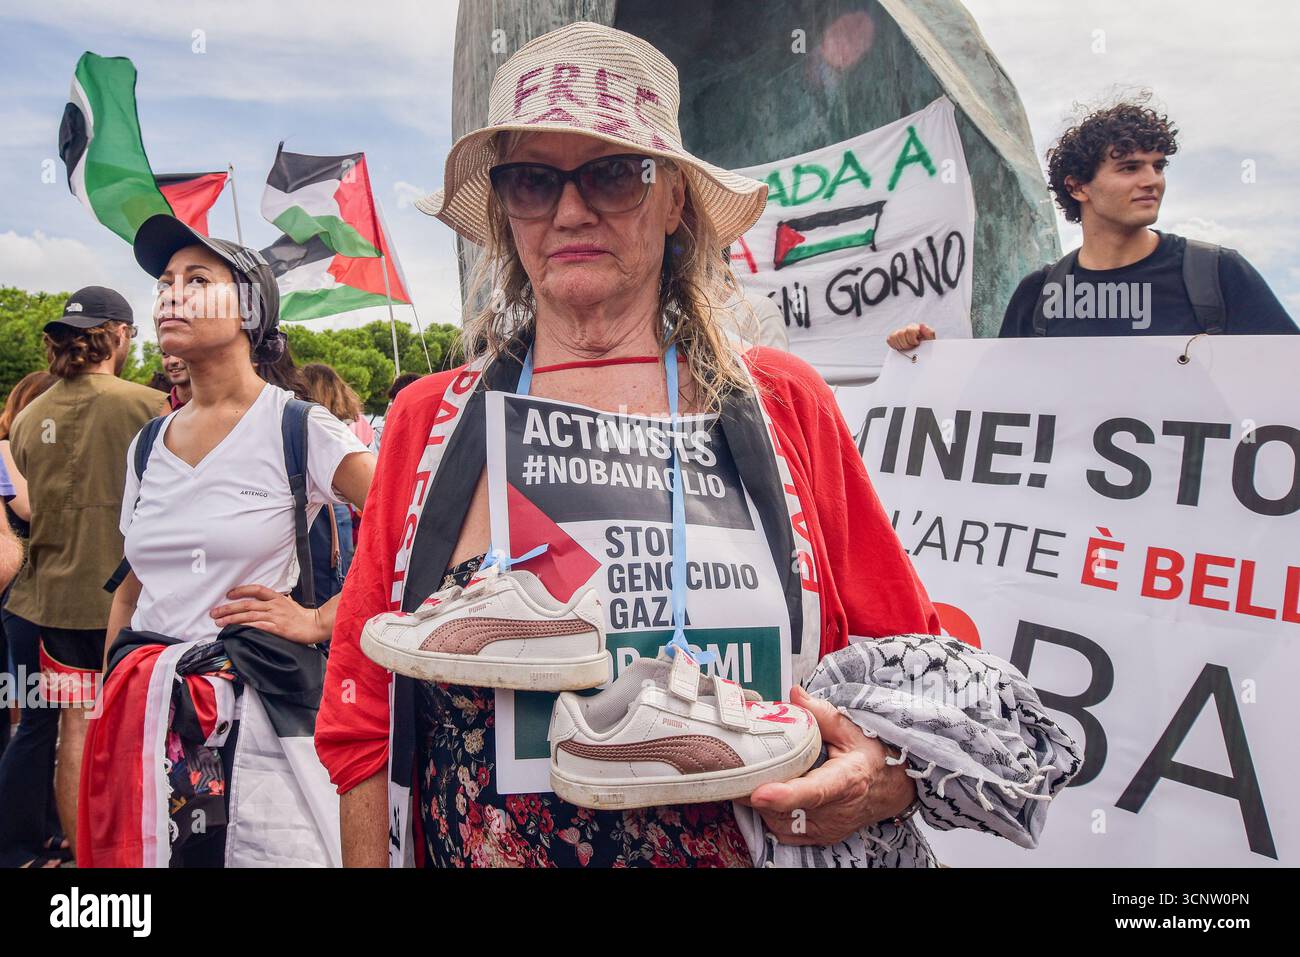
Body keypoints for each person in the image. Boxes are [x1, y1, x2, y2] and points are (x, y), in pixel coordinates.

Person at [316, 22, 938, 869]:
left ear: (674, 198)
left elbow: (909, 671)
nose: (571, 210)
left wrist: (879, 778)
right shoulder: (431, 420)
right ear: (504, 209)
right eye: (533, 180)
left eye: (614, 173)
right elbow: (362, 712)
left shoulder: (784, 403)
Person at [75, 215, 376, 868]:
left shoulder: (298, 426)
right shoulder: (148, 443)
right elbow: (130, 593)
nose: (170, 294)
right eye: (164, 282)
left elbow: (407, 520)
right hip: (148, 717)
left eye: (197, 280)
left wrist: (322, 618)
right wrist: (111, 699)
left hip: (253, 719)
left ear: (250, 310)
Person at [887, 98, 1295, 350]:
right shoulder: (1039, 294)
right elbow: (998, 404)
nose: (1151, 180)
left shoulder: (1218, 274)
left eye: (1158, 166)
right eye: (1129, 168)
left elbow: (1281, 384)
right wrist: (926, 361)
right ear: (1078, 186)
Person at [3, 288, 167, 863]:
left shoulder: (27, 417)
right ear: (119, 336)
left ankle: (85, 856)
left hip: (54, 600)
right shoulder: (148, 407)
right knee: (130, 730)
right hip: (133, 600)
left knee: (73, 728)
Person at [0, 371, 60, 866]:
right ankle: (15, 843)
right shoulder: (6, 450)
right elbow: (29, 507)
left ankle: (46, 826)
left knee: (50, 720)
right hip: (22, 604)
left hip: (40, 599)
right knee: (35, 721)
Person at [301, 363, 367, 598]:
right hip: (341, 510)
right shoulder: (355, 425)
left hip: (329, 513)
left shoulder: (317, 426)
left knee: (328, 579)